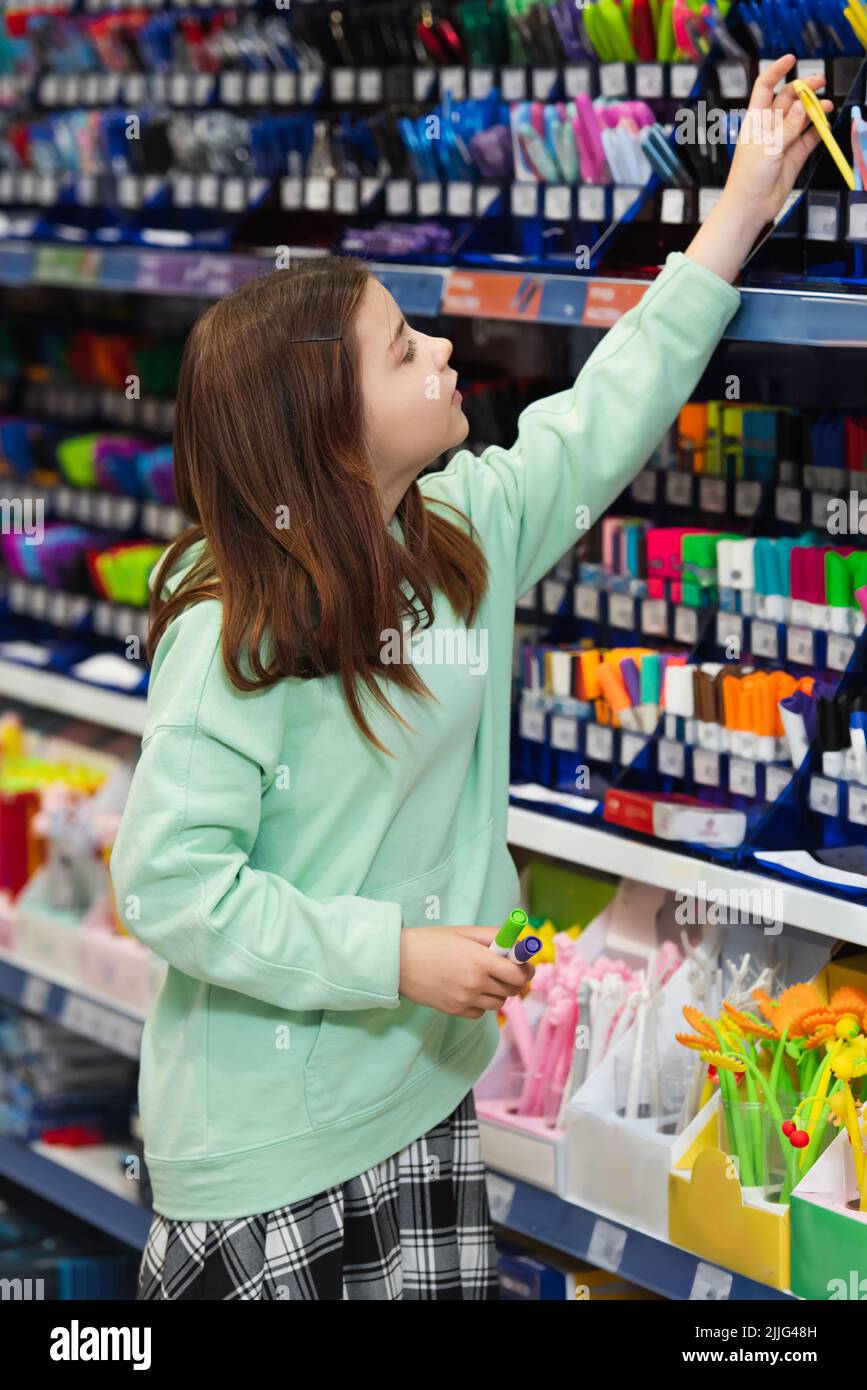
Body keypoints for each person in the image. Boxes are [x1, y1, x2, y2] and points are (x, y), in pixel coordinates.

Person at [111, 56, 829, 1300]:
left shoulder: (457, 537)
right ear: (332, 443)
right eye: (404, 351)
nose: (444, 349)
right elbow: (170, 886)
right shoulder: (235, 631)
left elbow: (607, 409)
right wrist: (394, 955)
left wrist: (745, 196)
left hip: (421, 1094)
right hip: (264, 1154)